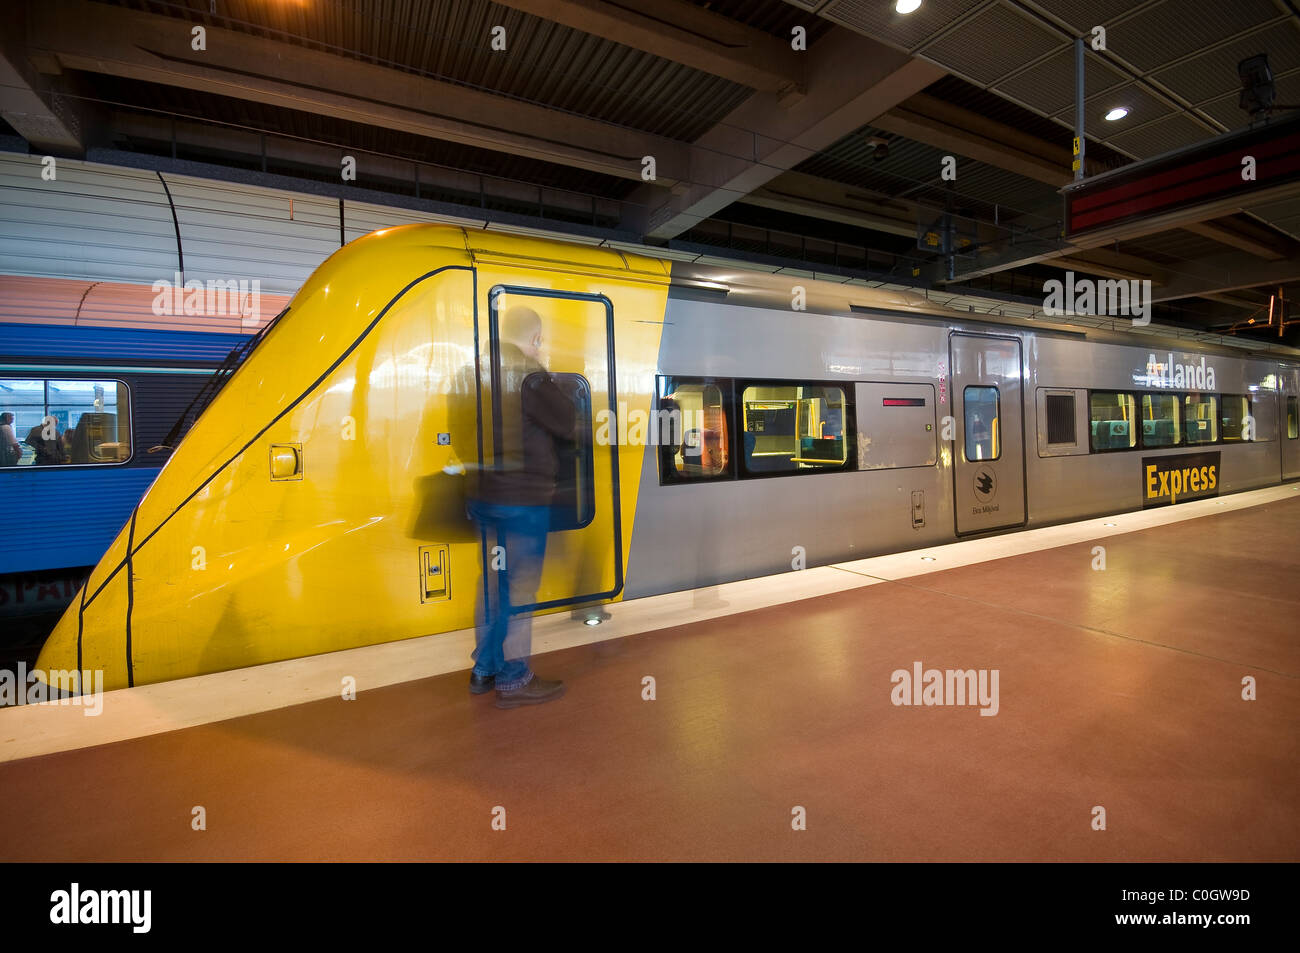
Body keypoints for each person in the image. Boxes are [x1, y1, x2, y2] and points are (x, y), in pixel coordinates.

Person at [465, 305, 575, 709]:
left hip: (484, 497)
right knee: (520, 587)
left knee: (492, 586)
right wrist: (542, 369)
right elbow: (566, 419)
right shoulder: (530, 377)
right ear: (534, 338)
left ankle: (485, 668)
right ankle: (513, 678)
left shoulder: (475, 371)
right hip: (522, 499)